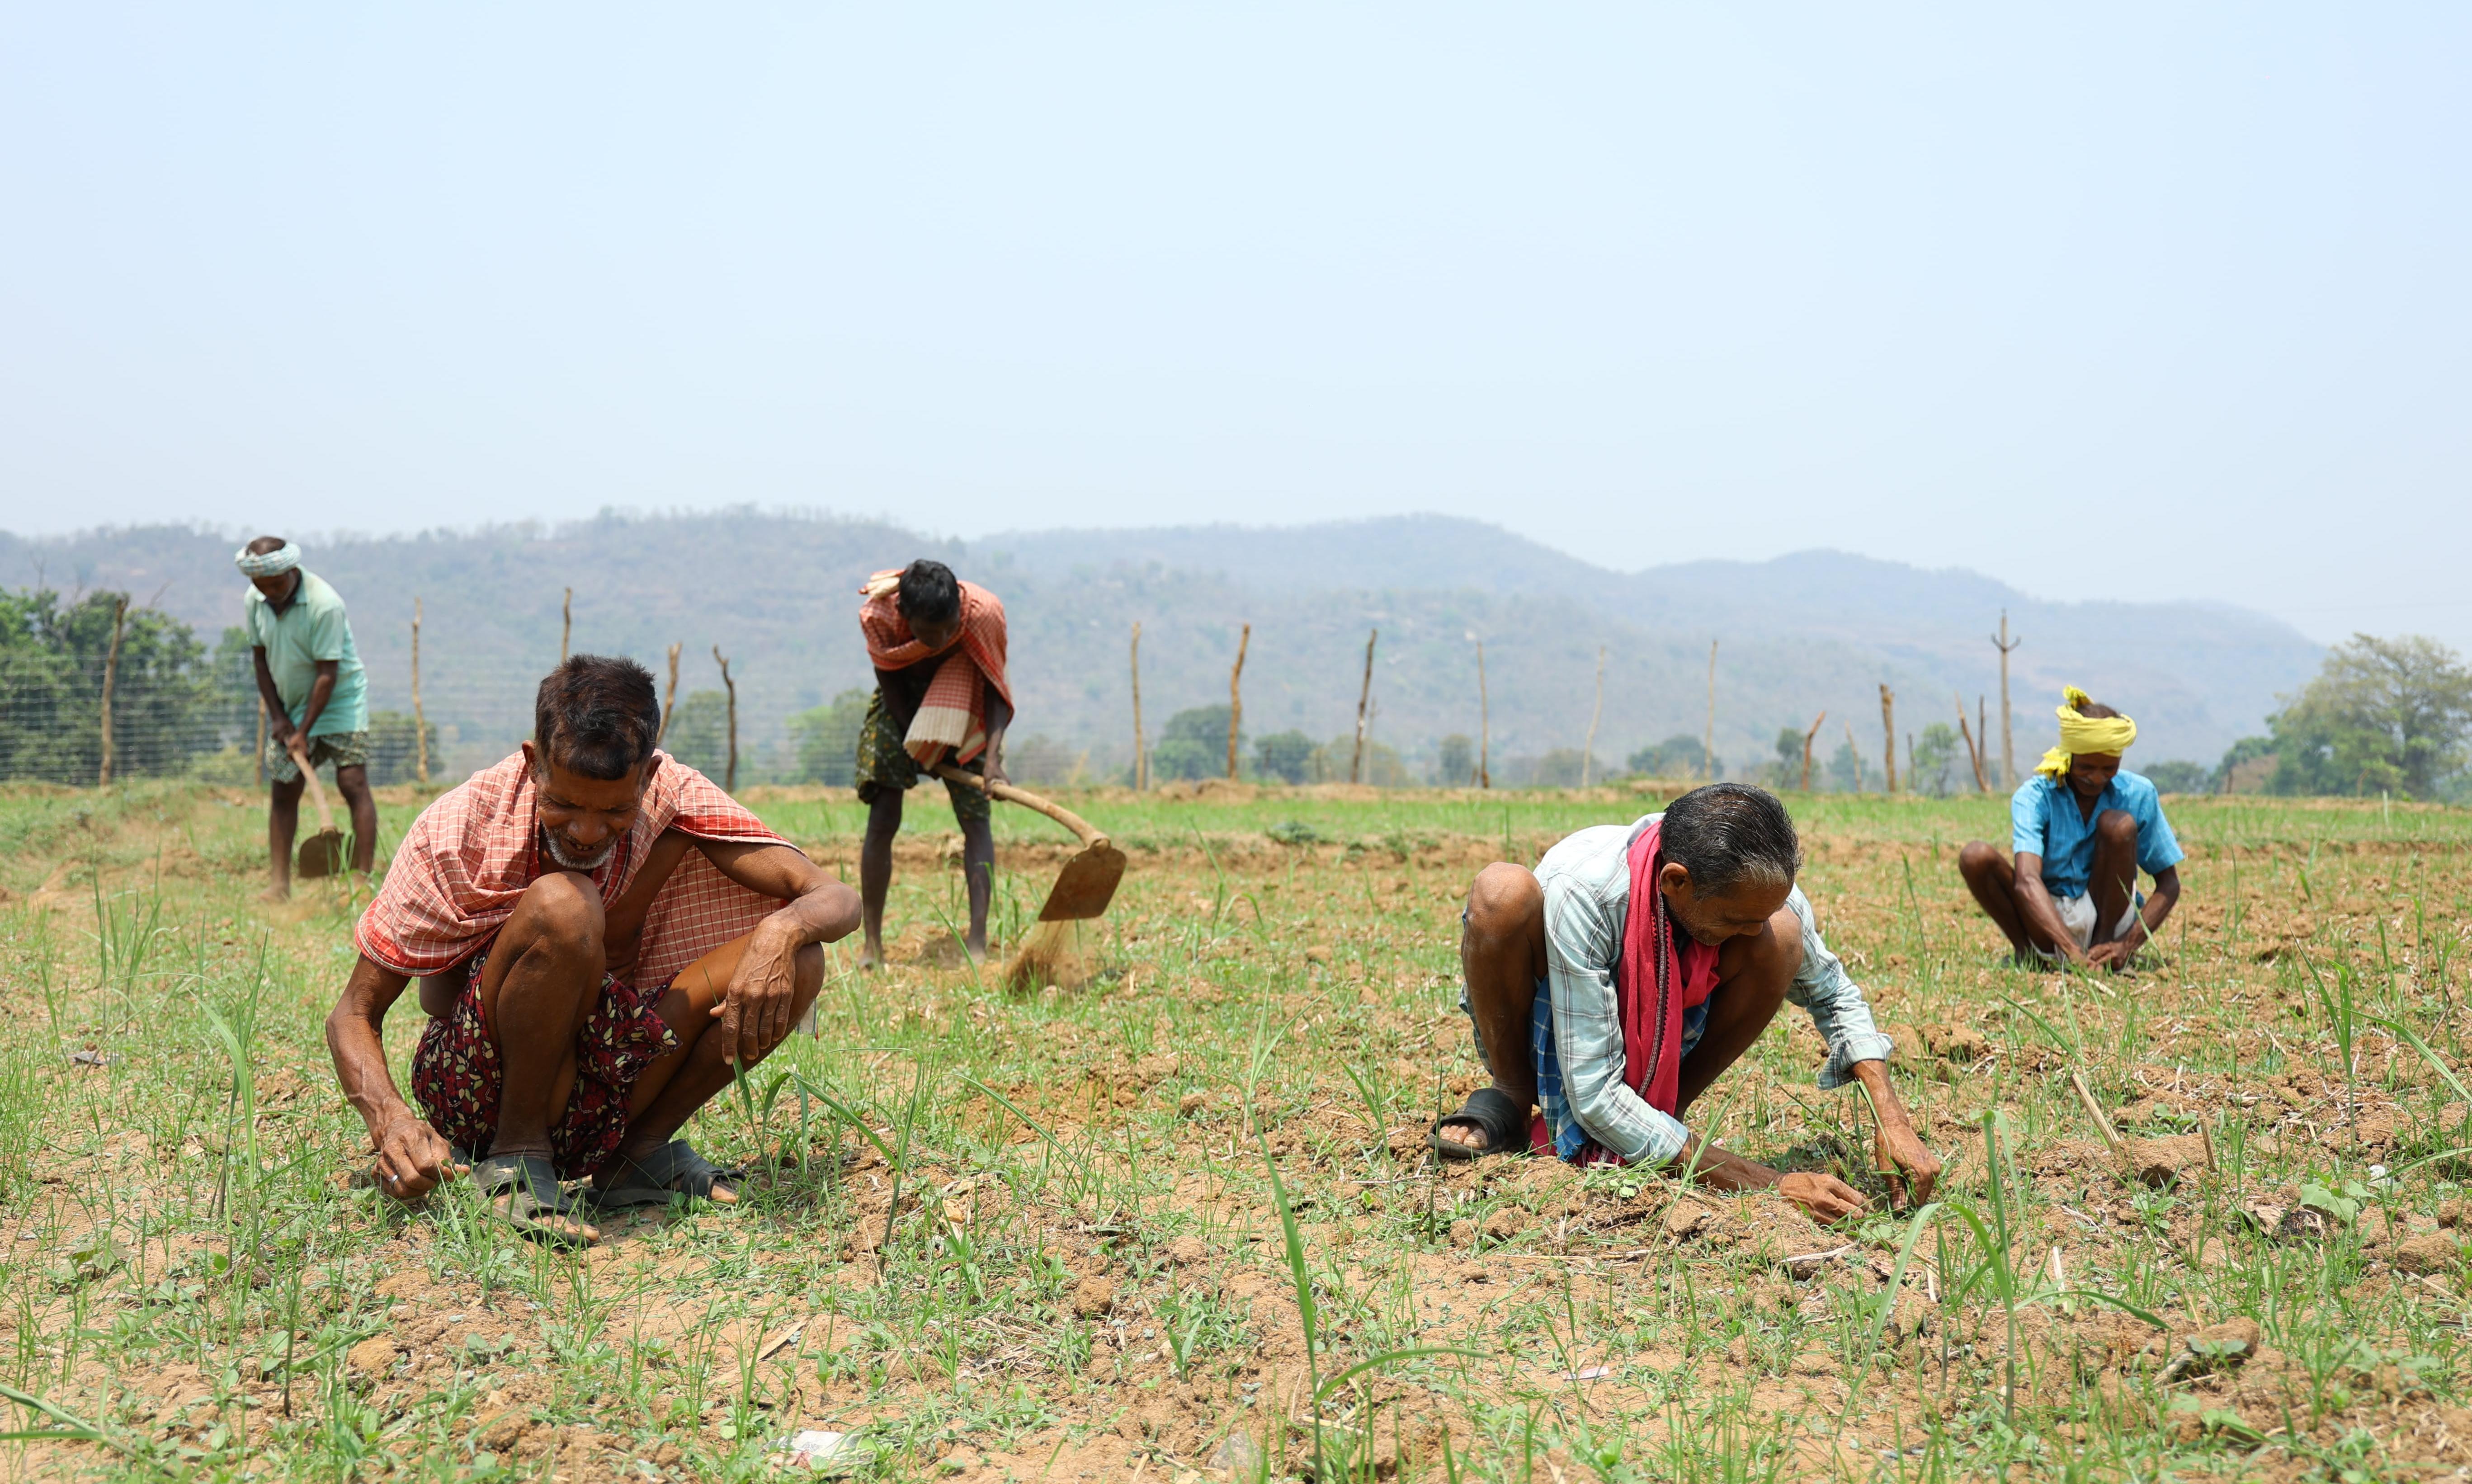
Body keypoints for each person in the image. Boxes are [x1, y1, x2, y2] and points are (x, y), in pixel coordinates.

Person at [326, 655, 861, 1244]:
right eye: (564, 804)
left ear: (648, 775)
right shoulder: (458, 828)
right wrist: (391, 1119)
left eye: (614, 810)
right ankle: (516, 1154)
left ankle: (634, 1154)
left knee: (804, 959)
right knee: (567, 905)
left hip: (606, 1086)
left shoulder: (672, 796)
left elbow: (834, 896)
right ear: (533, 764)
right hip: (479, 1088)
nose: (585, 830)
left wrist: (779, 933)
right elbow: (353, 1012)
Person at [1429, 783, 1940, 1223]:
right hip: (1549, 1018)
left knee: (1785, 937)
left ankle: (1661, 1116)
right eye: (1735, 920)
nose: (1751, 930)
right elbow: (1592, 1093)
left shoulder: (1755, 885)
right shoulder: (1586, 887)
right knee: (1501, 892)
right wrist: (1768, 1182)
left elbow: (1832, 991)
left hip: (1666, 1035)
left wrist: (1890, 1117)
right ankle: (1512, 1097)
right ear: (1675, 882)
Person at [854, 559, 1013, 967]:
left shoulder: (984, 613)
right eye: (931, 632)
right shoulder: (879, 616)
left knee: (976, 819)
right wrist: (916, 741)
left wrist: (992, 760)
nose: (943, 639)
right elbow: (889, 679)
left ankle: (977, 942)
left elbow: (995, 683)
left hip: (967, 702)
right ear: (906, 617)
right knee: (883, 814)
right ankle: (873, 944)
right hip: (902, 704)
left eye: (950, 627)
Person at [1958, 687, 2183, 971]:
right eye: (2087, 767)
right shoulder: (2035, 796)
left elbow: (2169, 884)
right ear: (2069, 756)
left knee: (2119, 825)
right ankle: (2031, 955)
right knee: (1975, 856)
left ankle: (2102, 953)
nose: (2097, 778)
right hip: (2047, 921)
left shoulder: (2139, 794)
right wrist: (2070, 949)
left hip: (2111, 918)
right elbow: (2027, 880)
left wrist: (2126, 945)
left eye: (2109, 768)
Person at [236, 537, 378, 897]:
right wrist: (281, 719)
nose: (270, 592)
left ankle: (363, 881)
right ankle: (279, 883)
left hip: (341, 700)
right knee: (284, 788)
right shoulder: (256, 602)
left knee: (352, 783)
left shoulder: (324, 604)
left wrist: (303, 730)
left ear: (291, 571)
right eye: (261, 585)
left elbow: (329, 674)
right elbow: (260, 661)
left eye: (276, 583)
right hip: (292, 703)